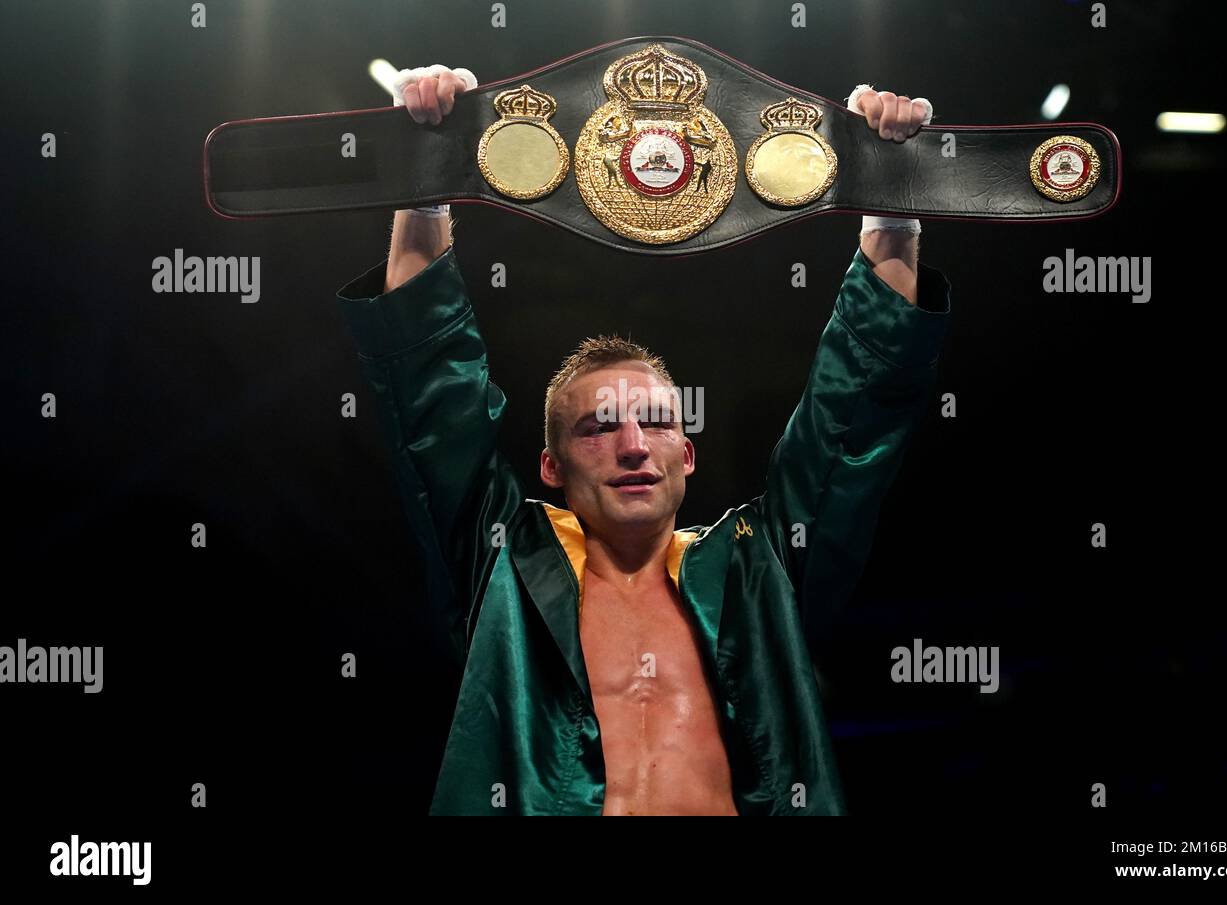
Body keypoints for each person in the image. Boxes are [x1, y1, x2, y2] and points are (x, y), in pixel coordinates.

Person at [335, 65, 951, 815]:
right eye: (598, 427)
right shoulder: (504, 564)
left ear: (685, 455)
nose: (632, 446)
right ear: (551, 467)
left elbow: (851, 420)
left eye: (655, 421)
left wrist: (891, 204)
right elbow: (431, 401)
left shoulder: (758, 573)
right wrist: (426, 171)